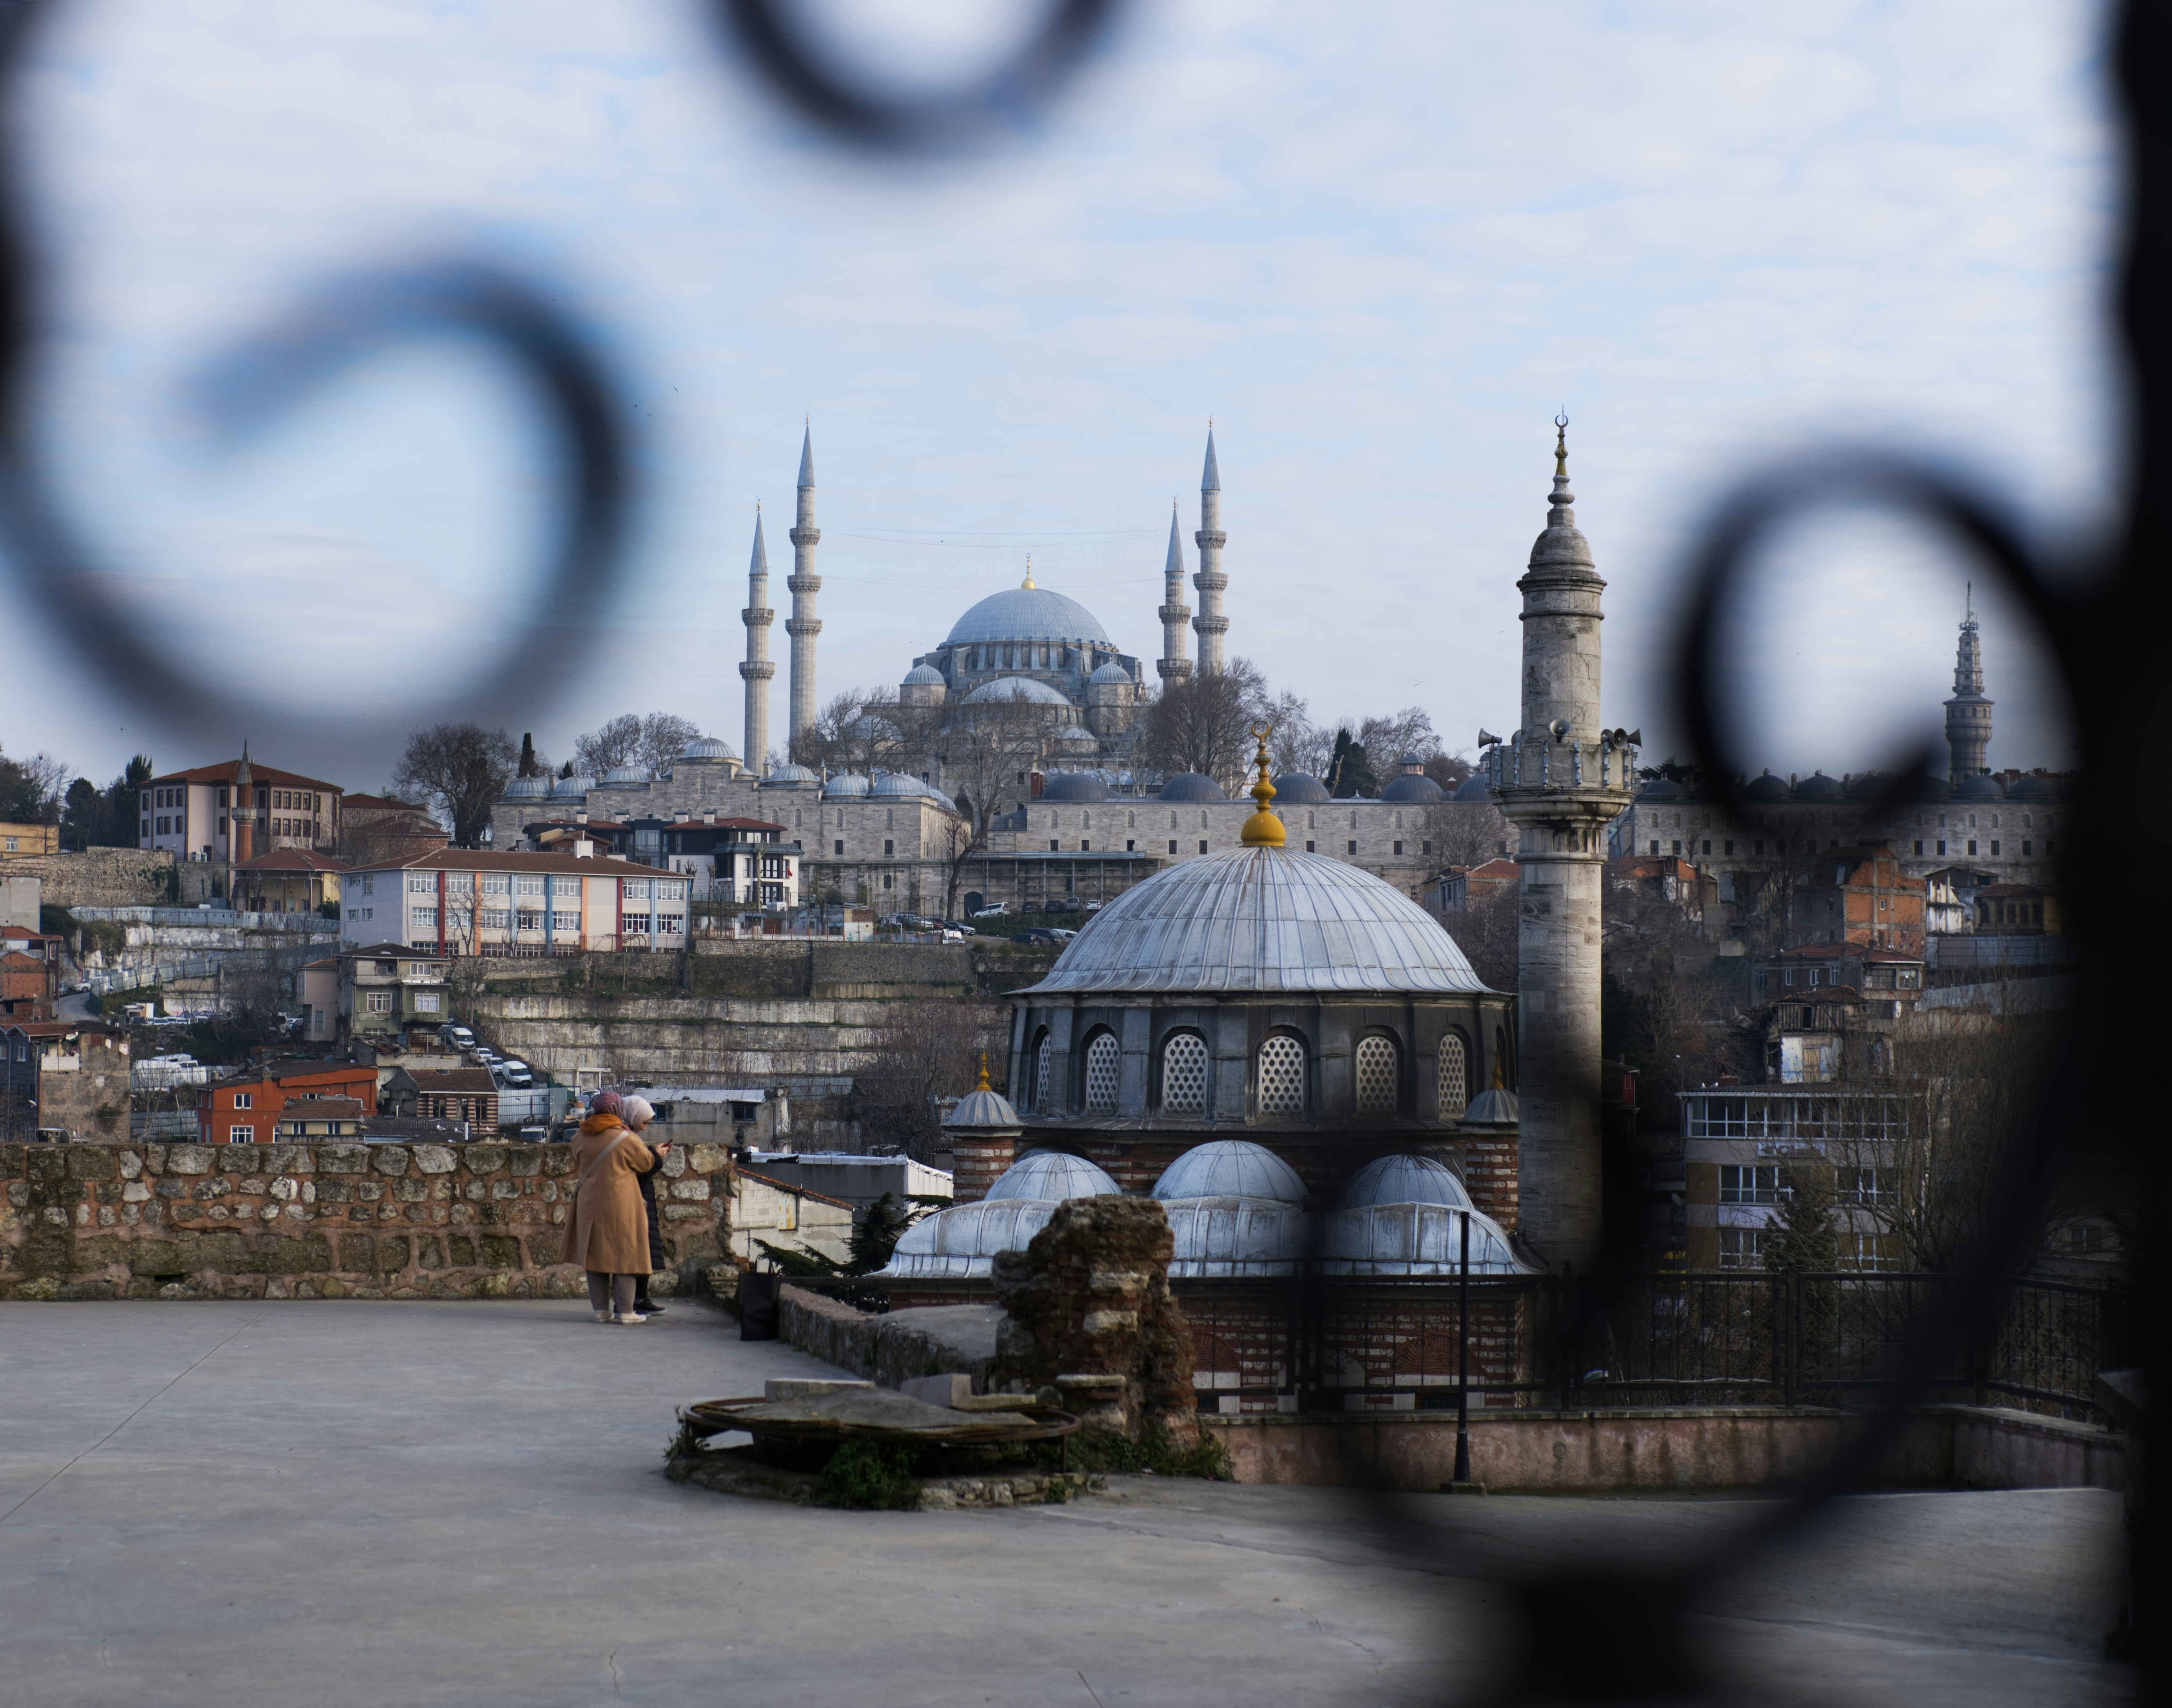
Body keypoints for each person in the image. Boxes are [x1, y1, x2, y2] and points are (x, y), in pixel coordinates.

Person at [560, 1089, 655, 1324]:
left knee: (595, 1258)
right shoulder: (625, 1137)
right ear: (618, 1112)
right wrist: (634, 1136)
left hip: (589, 1205)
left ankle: (601, 1310)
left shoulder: (580, 1136)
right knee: (626, 1256)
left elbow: (578, 1159)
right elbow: (646, 1163)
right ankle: (625, 1311)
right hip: (620, 1206)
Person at [620, 1093, 671, 1316]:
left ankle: (639, 1299)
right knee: (637, 1253)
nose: (644, 1127)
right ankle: (633, 1301)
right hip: (635, 1202)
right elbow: (638, 1172)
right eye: (644, 1122)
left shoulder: (627, 1136)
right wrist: (656, 1156)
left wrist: (650, 1153)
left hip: (641, 1201)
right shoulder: (625, 1138)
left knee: (644, 1252)